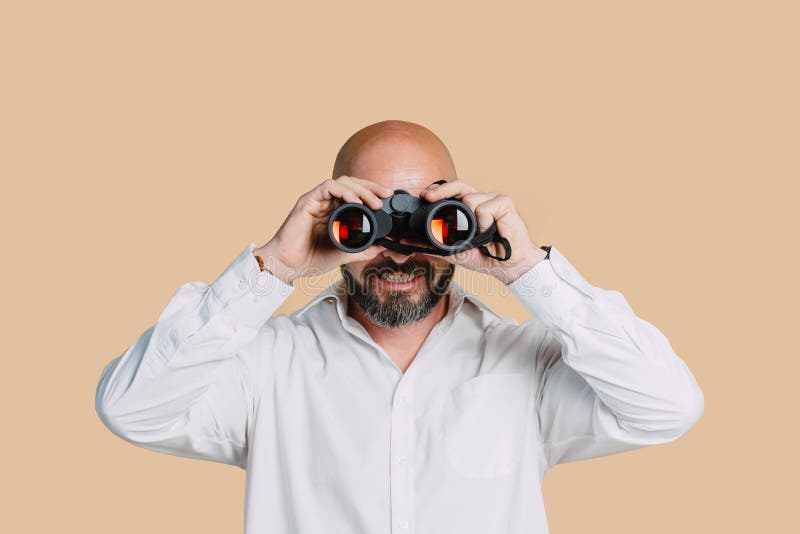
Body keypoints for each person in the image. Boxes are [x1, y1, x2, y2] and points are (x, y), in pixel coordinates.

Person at [95, 120, 704, 533]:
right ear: (332, 218)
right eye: (372, 220)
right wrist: (275, 268)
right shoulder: (267, 366)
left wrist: (526, 270)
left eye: (429, 217)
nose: (401, 250)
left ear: (461, 217)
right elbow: (132, 407)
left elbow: (667, 406)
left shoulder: (530, 365)